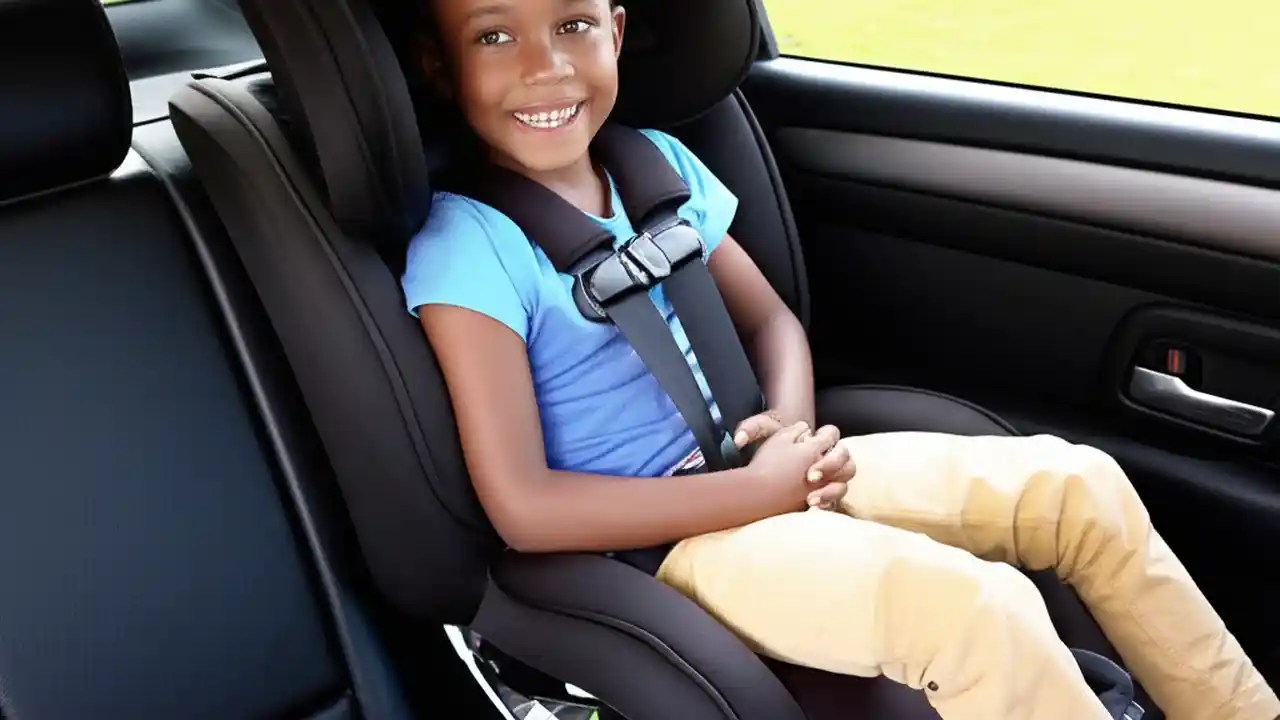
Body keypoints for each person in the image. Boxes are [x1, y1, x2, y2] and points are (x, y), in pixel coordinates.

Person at [400, 0, 1280, 717]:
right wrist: (754, 493)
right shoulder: (467, 247)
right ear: (441, 67)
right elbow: (522, 507)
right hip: (667, 542)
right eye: (493, 35)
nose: (545, 65)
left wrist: (788, 429)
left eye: (573, 25)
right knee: (981, 609)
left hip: (770, 467)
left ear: (618, 31)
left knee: (1080, 486)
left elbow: (772, 322)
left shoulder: (657, 169)